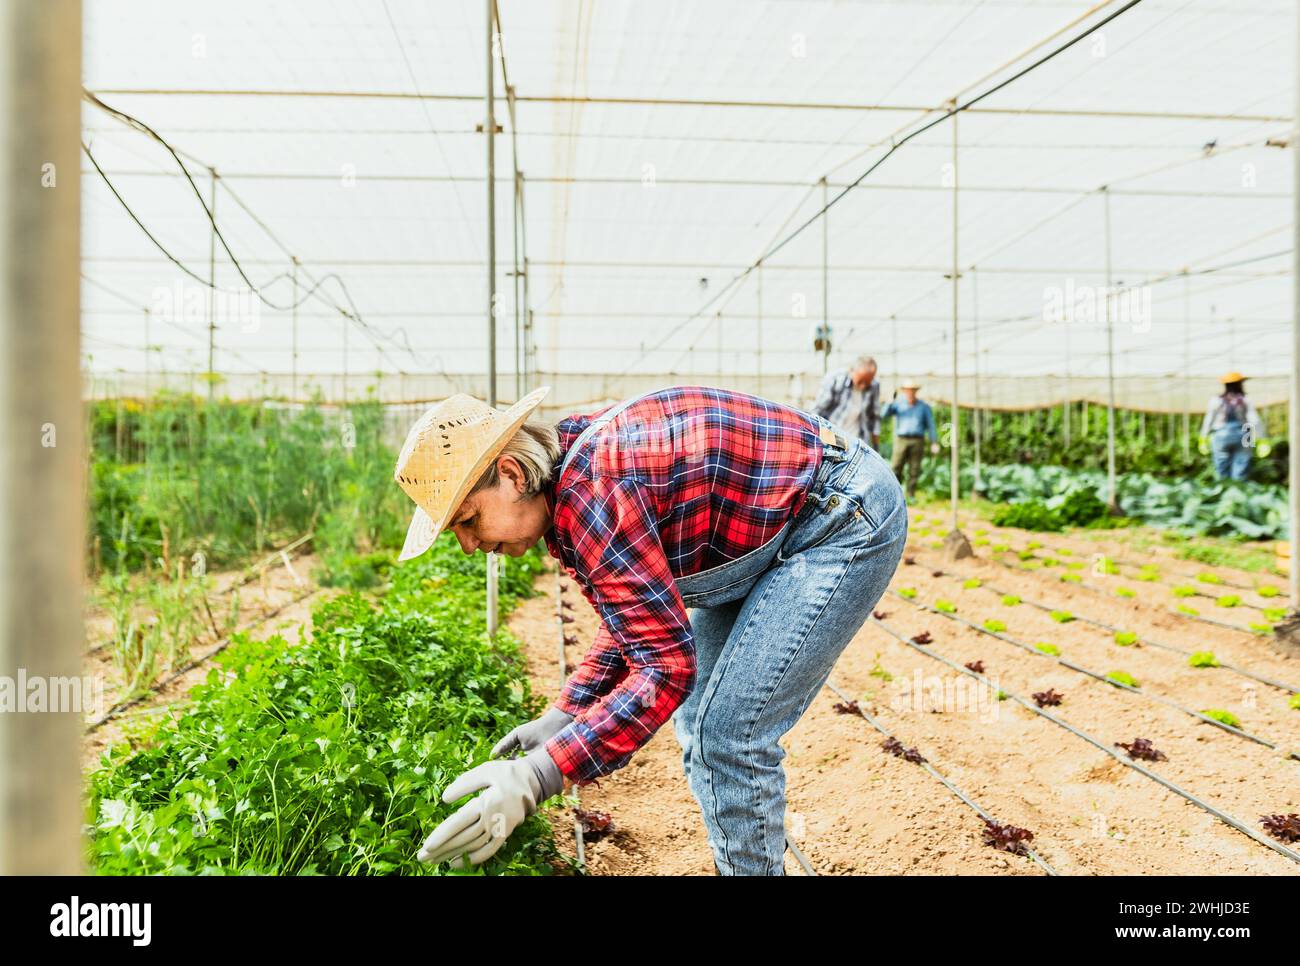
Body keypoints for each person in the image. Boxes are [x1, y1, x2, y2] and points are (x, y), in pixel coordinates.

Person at [393, 385, 907, 875]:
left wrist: (539, 775)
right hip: (778, 522)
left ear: (509, 474)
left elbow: (665, 667)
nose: (467, 544)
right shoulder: (572, 476)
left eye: (467, 519)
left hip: (838, 516)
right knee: (703, 726)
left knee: (727, 733)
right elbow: (635, 611)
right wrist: (568, 713)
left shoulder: (596, 489)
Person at [1199, 372, 1265, 481]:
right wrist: (1262, 438)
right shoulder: (1246, 399)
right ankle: (1238, 492)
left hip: (1221, 434)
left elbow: (1209, 420)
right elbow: (1254, 420)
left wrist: (1203, 437)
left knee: (1221, 468)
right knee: (1242, 467)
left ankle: (1223, 491)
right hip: (1245, 433)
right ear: (1239, 384)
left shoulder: (1216, 400)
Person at [881, 380, 939, 500]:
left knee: (914, 468)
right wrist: (889, 402)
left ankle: (911, 495)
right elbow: (884, 415)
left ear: (916, 391)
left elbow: (931, 425)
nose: (910, 393)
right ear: (904, 391)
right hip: (901, 439)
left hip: (918, 440)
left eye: (912, 390)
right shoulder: (898, 404)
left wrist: (934, 442)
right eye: (908, 390)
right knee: (896, 466)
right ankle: (895, 494)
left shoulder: (923, 406)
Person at [812, 356, 881, 450]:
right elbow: (818, 411)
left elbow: (874, 416)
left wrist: (876, 446)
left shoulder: (874, 385)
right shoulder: (835, 379)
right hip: (833, 438)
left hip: (859, 441)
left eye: (867, 382)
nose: (863, 386)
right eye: (861, 381)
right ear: (852, 371)